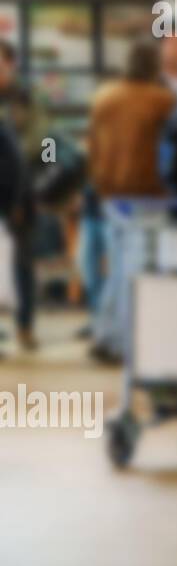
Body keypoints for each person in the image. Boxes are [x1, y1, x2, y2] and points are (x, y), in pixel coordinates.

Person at [86, 39, 177, 362]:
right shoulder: (162, 101)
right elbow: (174, 150)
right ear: (155, 67)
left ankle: (105, 334)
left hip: (109, 194)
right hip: (148, 195)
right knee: (136, 271)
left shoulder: (103, 97)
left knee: (118, 268)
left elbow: (93, 146)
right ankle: (124, 343)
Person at [0, 41, 50, 351]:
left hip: (20, 191)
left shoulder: (28, 97)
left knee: (22, 262)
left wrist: (33, 180)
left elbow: (45, 142)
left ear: (10, 64)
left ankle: (25, 326)